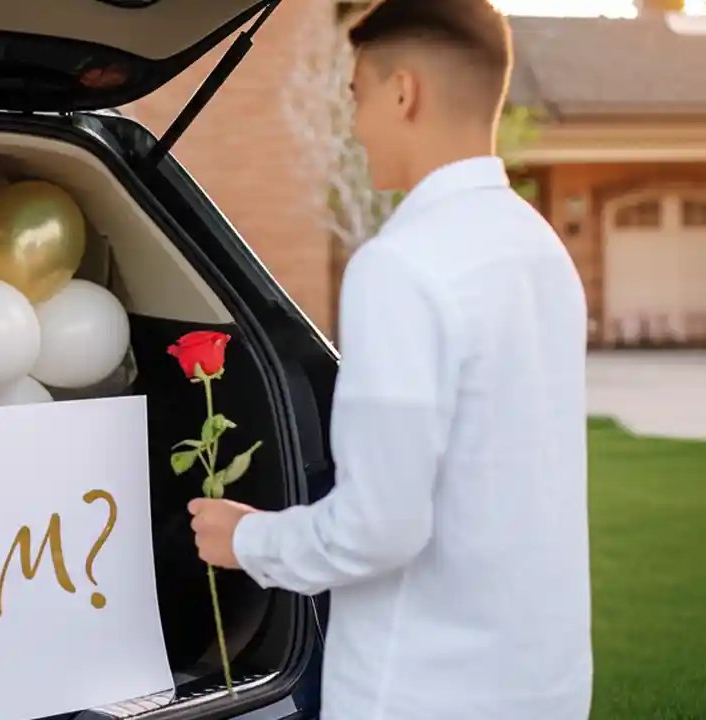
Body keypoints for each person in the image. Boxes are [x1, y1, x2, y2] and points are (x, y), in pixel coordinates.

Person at [188, 1, 591, 718]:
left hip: (418, 692)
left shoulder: (400, 267)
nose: (353, 124)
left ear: (403, 92)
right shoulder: (542, 252)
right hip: (545, 686)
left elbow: (378, 529)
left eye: (356, 96)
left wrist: (247, 538)